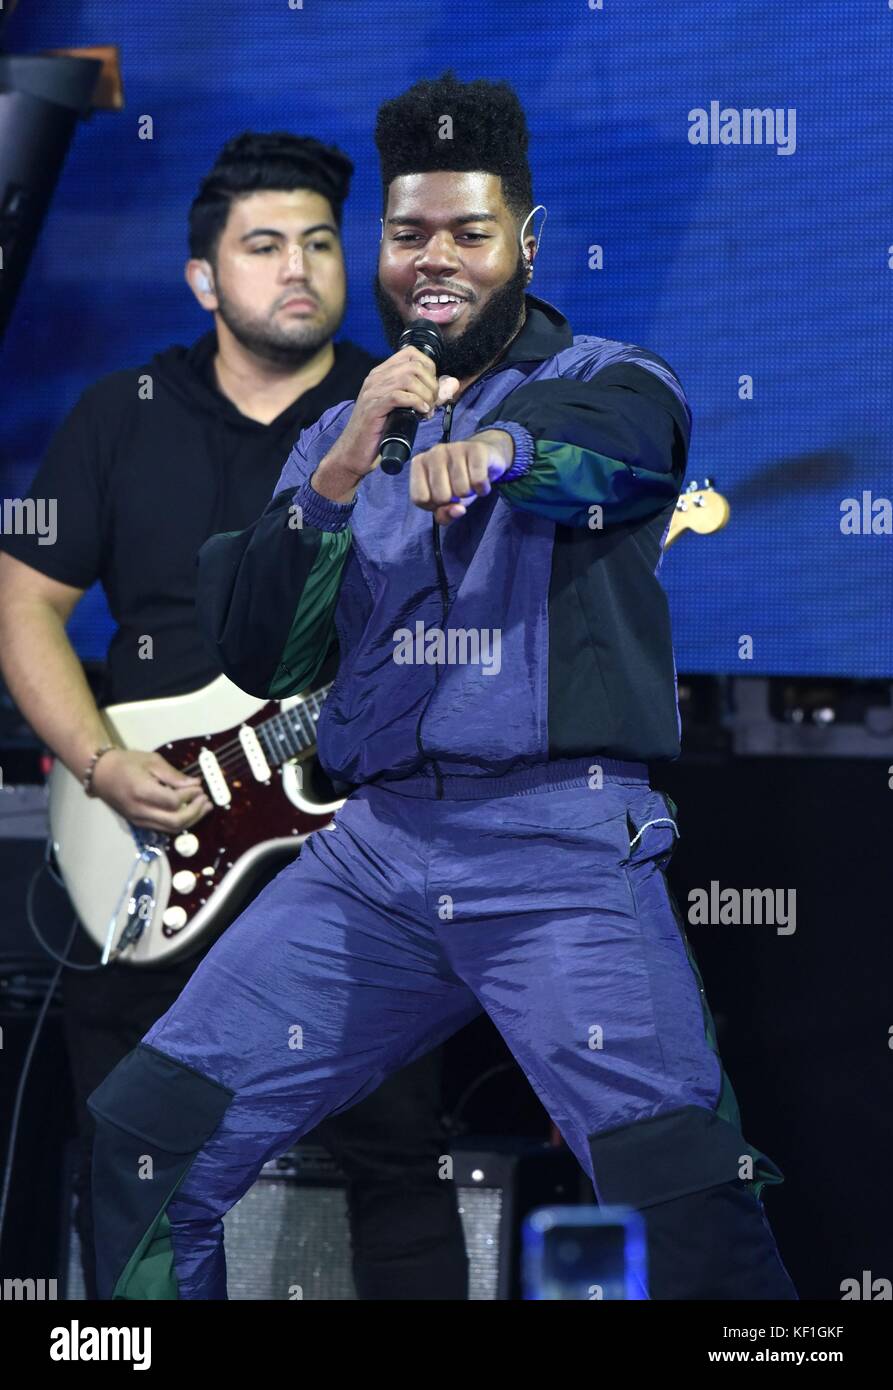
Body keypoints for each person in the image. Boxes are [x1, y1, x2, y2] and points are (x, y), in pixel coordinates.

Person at [86, 74, 799, 1301]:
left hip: (556, 848)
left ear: (522, 241)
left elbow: (617, 449)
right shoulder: (337, 434)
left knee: (680, 1200)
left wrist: (503, 449)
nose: (436, 259)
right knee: (145, 1139)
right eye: (410, 232)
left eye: (469, 233)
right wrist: (343, 465)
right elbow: (263, 652)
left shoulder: (614, 376)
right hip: (374, 859)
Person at [0, 131, 468, 1301]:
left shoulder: (409, 420)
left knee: (396, 1153)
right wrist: (103, 765)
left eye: (319, 241)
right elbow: (23, 606)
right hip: (150, 834)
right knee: (137, 1158)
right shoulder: (122, 414)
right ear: (205, 277)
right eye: (263, 245)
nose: (299, 266)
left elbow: (468, 626)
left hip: (357, 852)